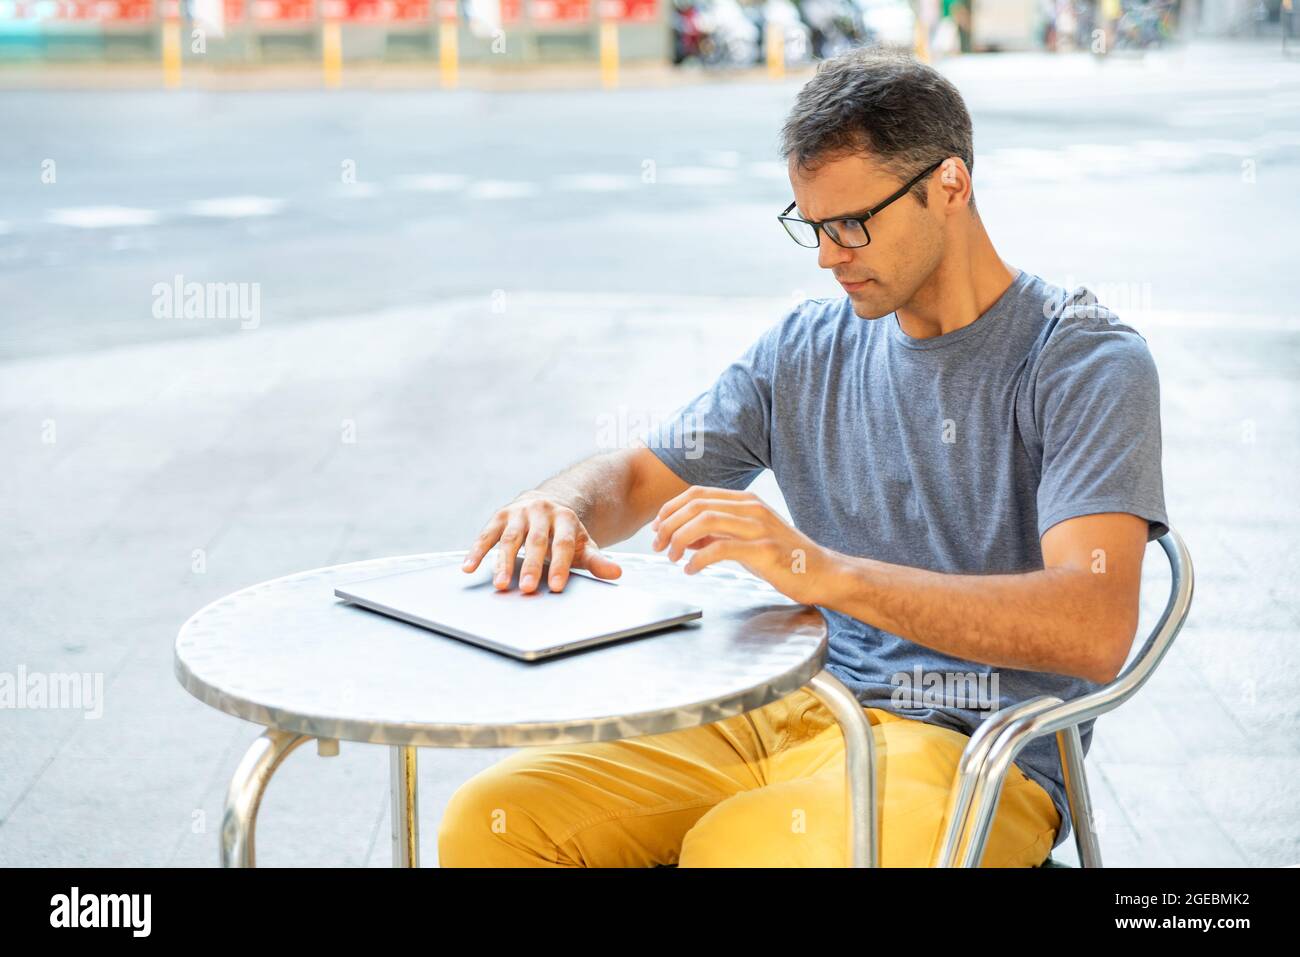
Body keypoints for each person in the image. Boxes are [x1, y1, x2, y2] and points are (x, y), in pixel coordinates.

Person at [438, 49, 1168, 868]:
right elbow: (638, 475)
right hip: (787, 703)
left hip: (967, 738)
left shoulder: (1082, 362)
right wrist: (562, 505)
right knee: (492, 819)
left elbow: (1095, 625)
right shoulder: (806, 349)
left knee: (738, 853)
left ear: (951, 185)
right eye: (812, 225)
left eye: (853, 223)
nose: (828, 255)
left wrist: (822, 571)